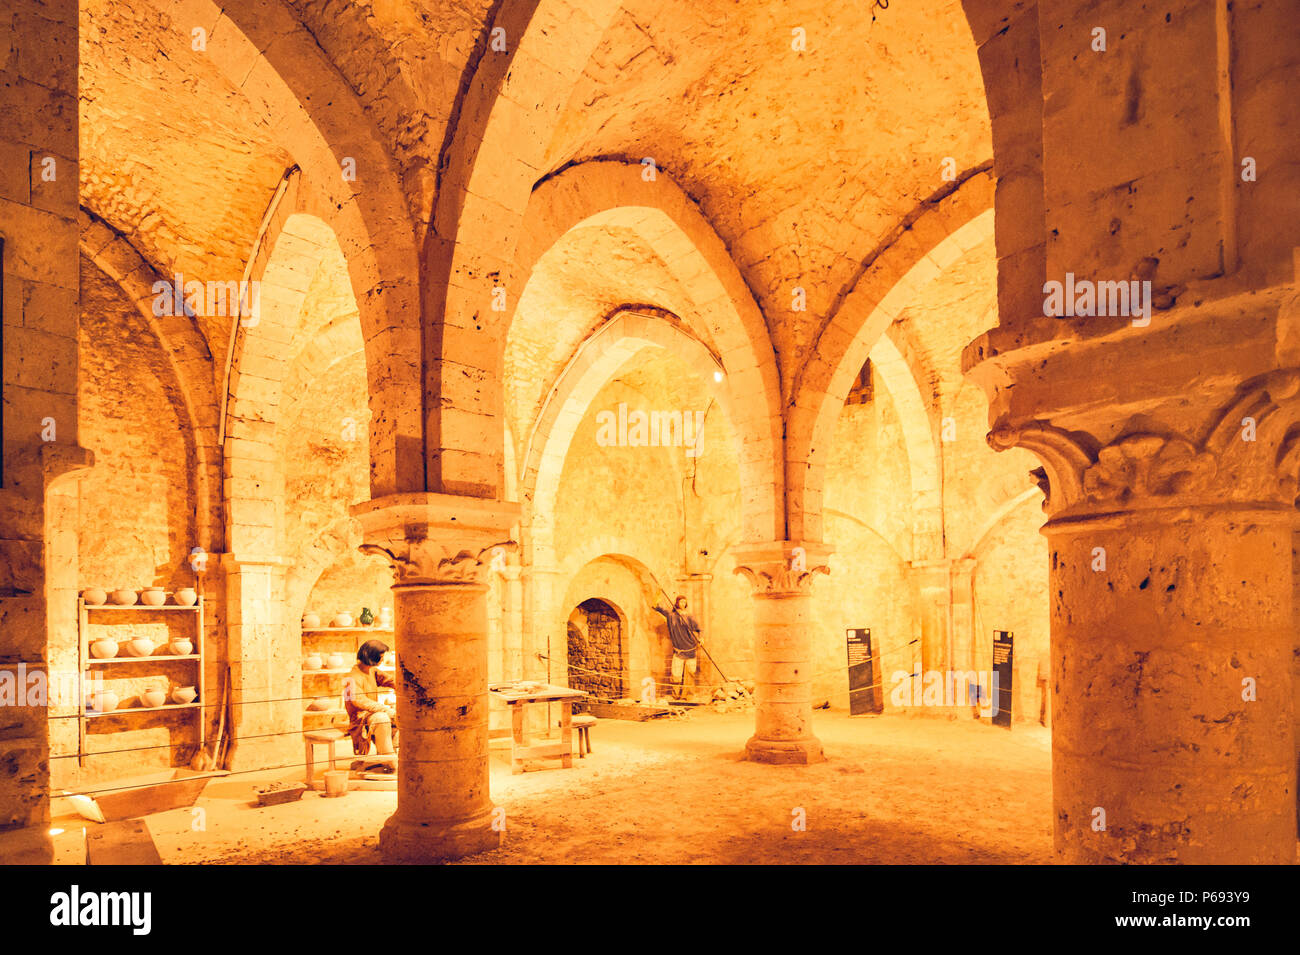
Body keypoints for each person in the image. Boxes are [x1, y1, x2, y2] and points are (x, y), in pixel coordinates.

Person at [343, 639, 397, 767]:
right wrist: (386, 709)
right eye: (381, 657)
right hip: (359, 718)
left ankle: (391, 756)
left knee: (401, 716)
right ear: (371, 657)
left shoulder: (371, 670)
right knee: (382, 718)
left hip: (370, 714)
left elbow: (391, 681)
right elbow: (359, 701)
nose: (383, 660)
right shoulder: (351, 677)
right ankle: (388, 761)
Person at [652, 595, 701, 699]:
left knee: (690, 674)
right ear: (677, 603)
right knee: (676, 675)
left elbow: (698, 629)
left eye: (684, 602)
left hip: (690, 649)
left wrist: (701, 638)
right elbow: (657, 607)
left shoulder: (689, 616)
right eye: (681, 602)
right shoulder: (671, 616)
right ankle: (675, 696)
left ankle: (688, 695)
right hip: (678, 651)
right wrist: (658, 596)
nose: (683, 604)